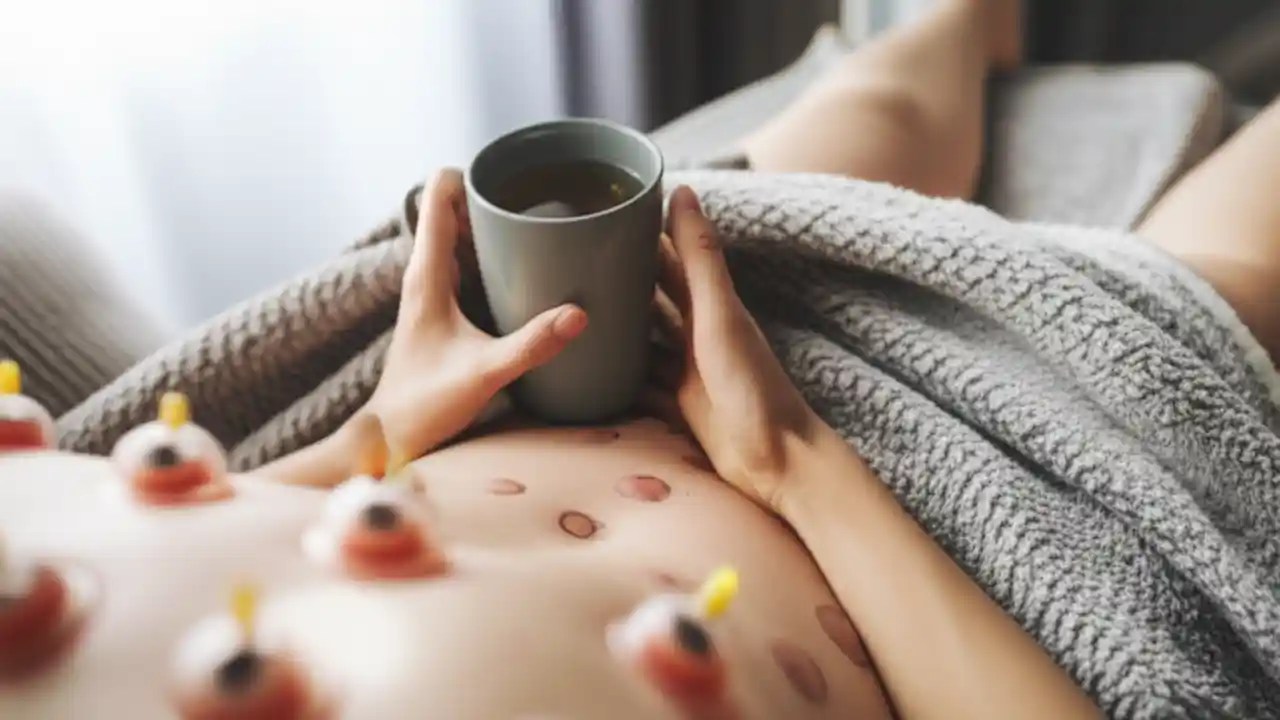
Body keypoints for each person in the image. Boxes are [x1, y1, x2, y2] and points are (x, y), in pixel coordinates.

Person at [3, 0, 1278, 716]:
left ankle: (961, 22)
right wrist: (792, 462)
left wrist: (376, 432)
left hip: (622, 375)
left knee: (867, 119)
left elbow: (215, 528)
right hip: (894, 517)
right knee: (1211, 275)